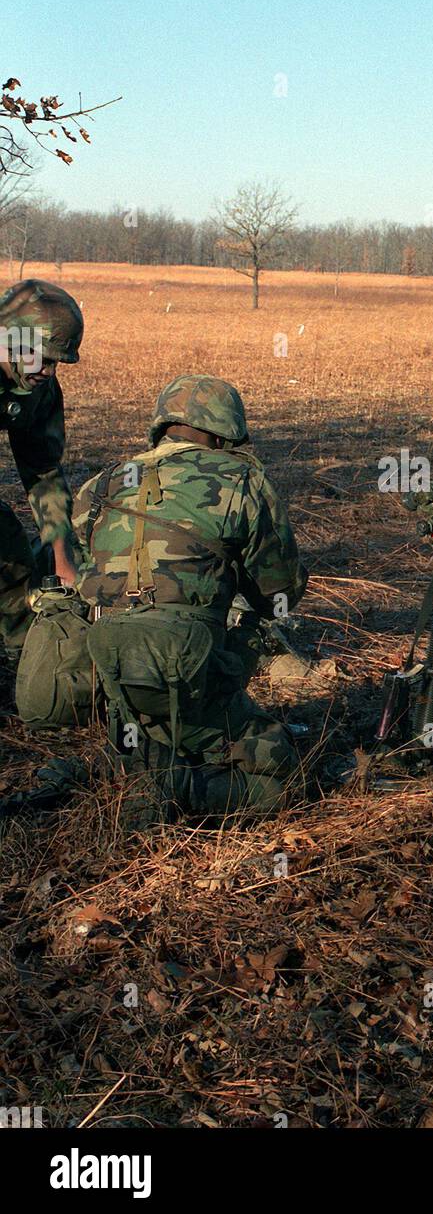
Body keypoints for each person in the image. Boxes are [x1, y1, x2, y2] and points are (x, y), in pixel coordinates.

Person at [68, 373, 308, 824]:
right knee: (283, 777)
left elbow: (88, 573)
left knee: (149, 727)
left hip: (111, 667)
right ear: (224, 433)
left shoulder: (100, 485)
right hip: (189, 666)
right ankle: (174, 785)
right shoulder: (243, 480)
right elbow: (278, 592)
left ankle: (140, 758)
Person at [0, 279, 82, 666]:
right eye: (42, 358)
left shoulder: (37, 387)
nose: (49, 372)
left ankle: (26, 662)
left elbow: (44, 472)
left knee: (14, 548)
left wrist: (62, 558)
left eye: (57, 362)